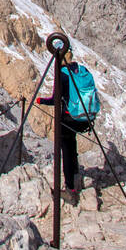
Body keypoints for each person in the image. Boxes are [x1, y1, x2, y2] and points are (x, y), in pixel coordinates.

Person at [36, 51, 90, 205]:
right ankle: (75, 172)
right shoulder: (81, 72)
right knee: (72, 143)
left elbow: (55, 99)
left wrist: (41, 100)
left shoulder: (62, 75)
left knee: (65, 148)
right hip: (83, 118)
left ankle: (70, 189)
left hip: (67, 117)